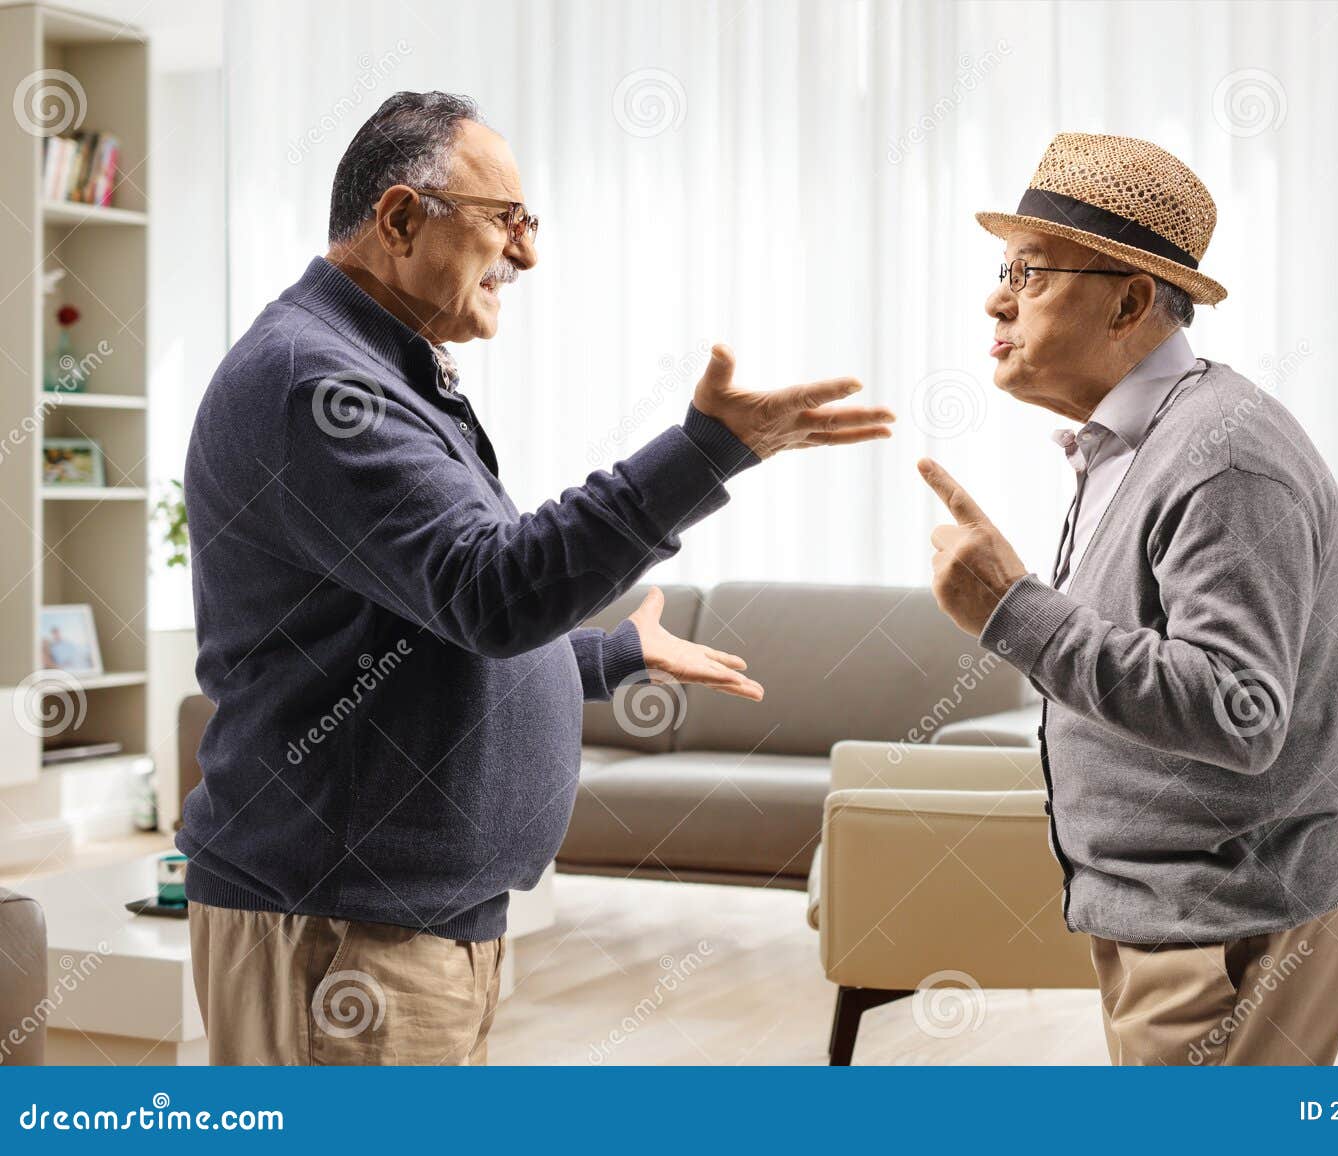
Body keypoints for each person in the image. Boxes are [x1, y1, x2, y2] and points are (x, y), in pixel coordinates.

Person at [178, 91, 893, 1065]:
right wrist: (705, 453)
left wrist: (608, 655)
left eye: (532, 223)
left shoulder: (378, 372)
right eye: (506, 222)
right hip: (340, 925)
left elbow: (433, 618)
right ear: (398, 220)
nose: (528, 254)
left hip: (406, 920)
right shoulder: (319, 385)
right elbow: (493, 589)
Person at [922, 132, 1338, 1065]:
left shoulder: (1224, 460)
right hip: (1182, 922)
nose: (996, 297)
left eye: (1031, 272)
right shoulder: (1139, 441)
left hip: (1229, 935)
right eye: (1005, 267)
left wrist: (1014, 610)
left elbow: (1241, 712)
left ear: (1128, 300)